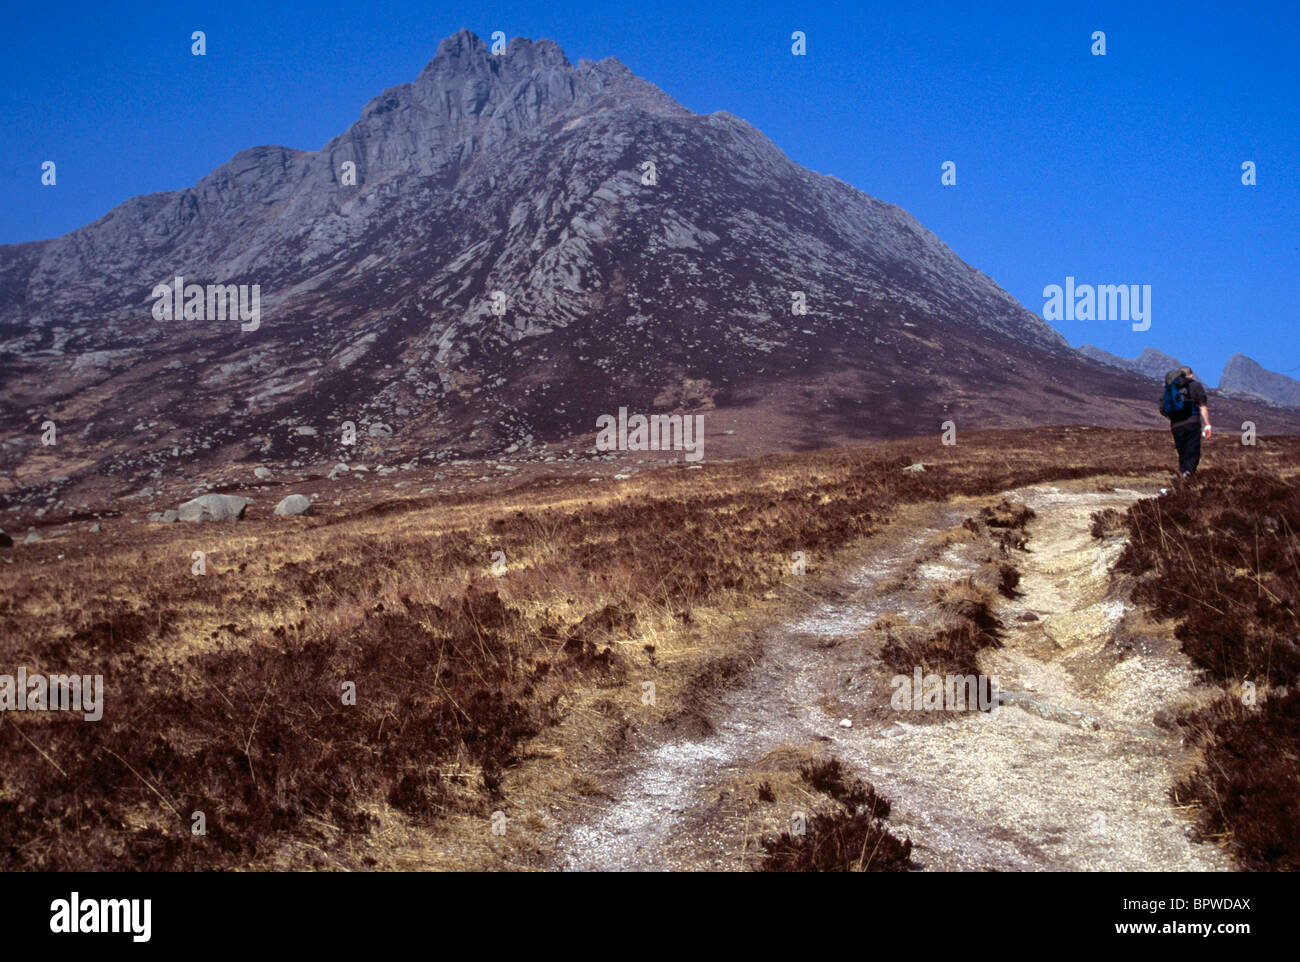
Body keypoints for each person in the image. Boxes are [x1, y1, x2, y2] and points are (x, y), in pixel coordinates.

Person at [1164, 366, 1211, 478]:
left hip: (1176, 425)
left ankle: (1183, 475)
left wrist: (1173, 418)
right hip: (1192, 423)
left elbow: (1163, 408)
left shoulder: (1170, 388)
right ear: (1191, 374)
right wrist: (1208, 425)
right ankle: (1188, 474)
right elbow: (1203, 407)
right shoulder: (1196, 386)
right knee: (1193, 451)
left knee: (1182, 452)